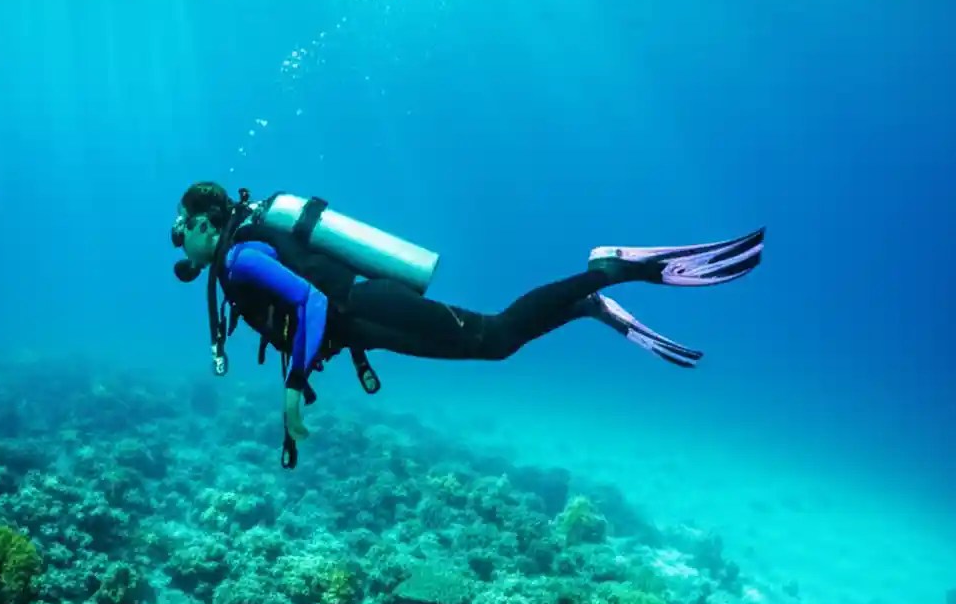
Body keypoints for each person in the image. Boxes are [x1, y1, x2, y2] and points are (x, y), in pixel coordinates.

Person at [170, 182, 764, 468]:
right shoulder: (234, 260)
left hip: (366, 308)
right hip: (367, 324)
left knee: (495, 333)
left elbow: (312, 304)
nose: (181, 241)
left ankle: (611, 270)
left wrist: (293, 391)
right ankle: (586, 305)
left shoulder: (242, 257)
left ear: (205, 221)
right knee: (496, 347)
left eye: (181, 227)